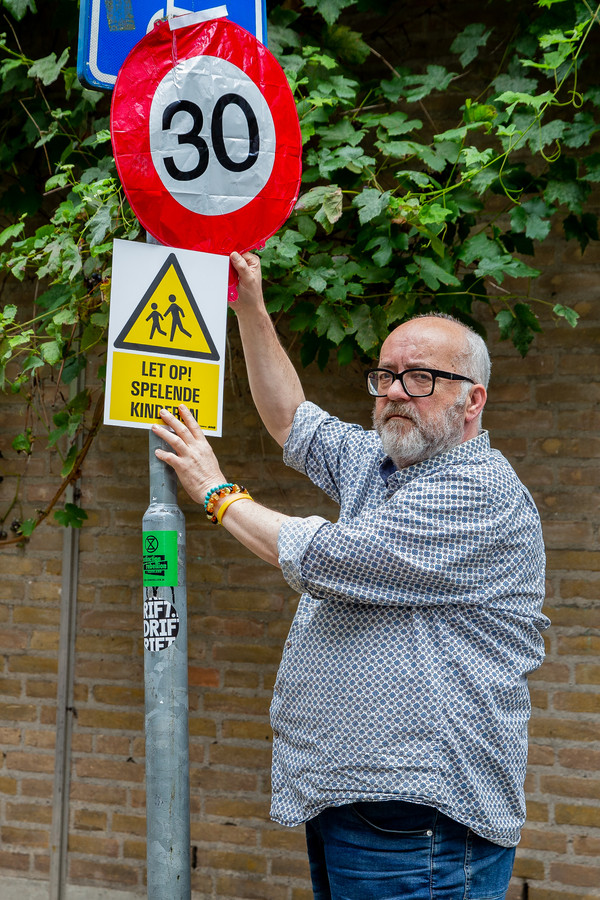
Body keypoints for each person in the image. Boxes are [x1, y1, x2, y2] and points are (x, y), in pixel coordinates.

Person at [153, 250, 548, 900]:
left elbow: (333, 559)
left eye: (420, 378)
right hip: (360, 803)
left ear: (473, 399)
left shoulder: (478, 492)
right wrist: (249, 306)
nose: (394, 391)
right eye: (386, 376)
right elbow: (293, 423)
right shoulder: (386, 463)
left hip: (423, 823)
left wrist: (216, 492)